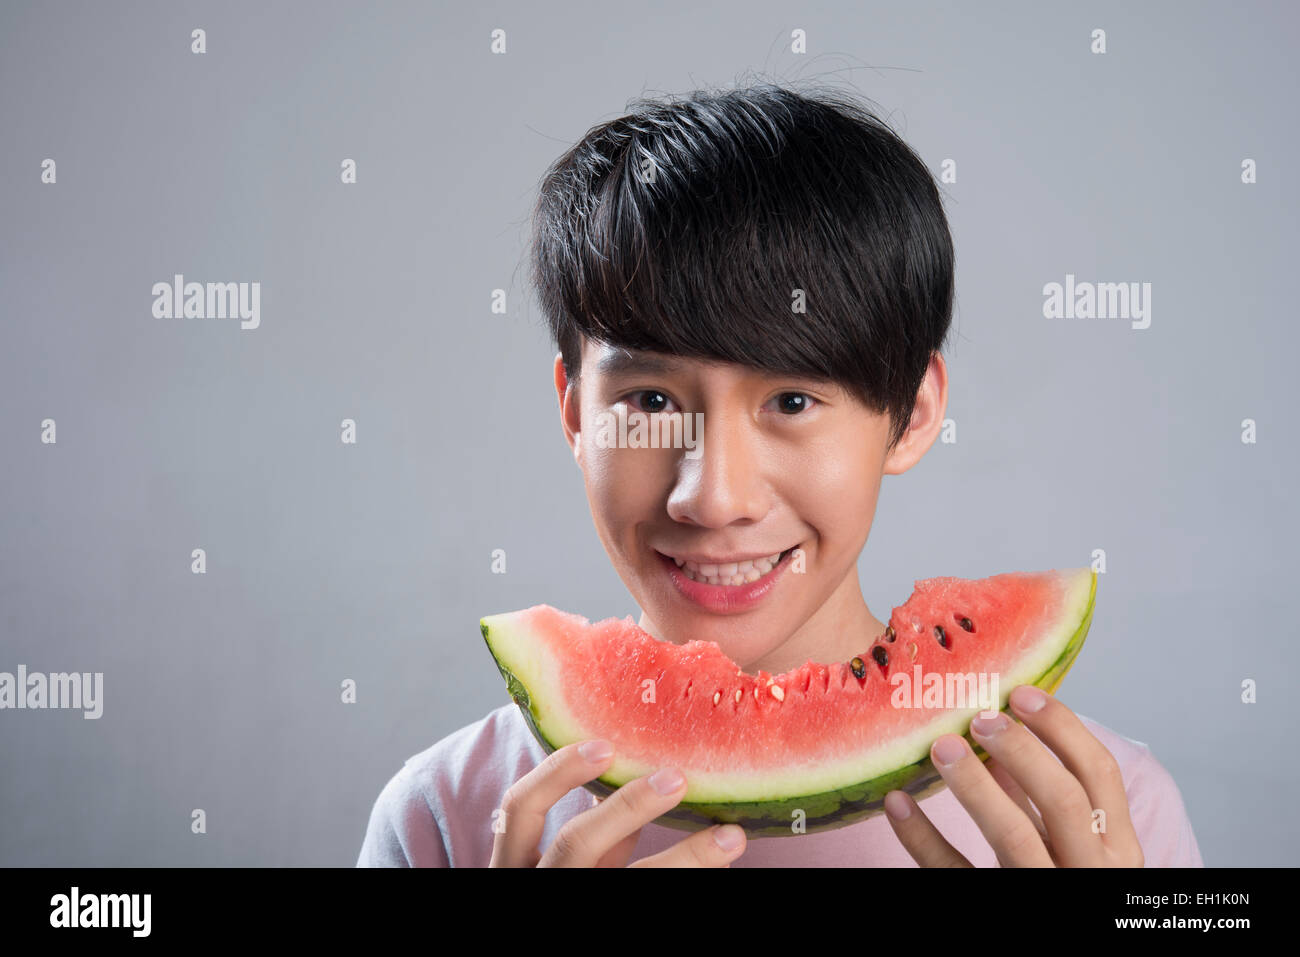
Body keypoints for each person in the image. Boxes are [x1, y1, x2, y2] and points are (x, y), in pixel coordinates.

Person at [357, 82, 1202, 867]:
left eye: (792, 401)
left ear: (909, 412)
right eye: (652, 399)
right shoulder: (444, 819)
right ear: (577, 412)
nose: (713, 497)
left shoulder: (1110, 816)